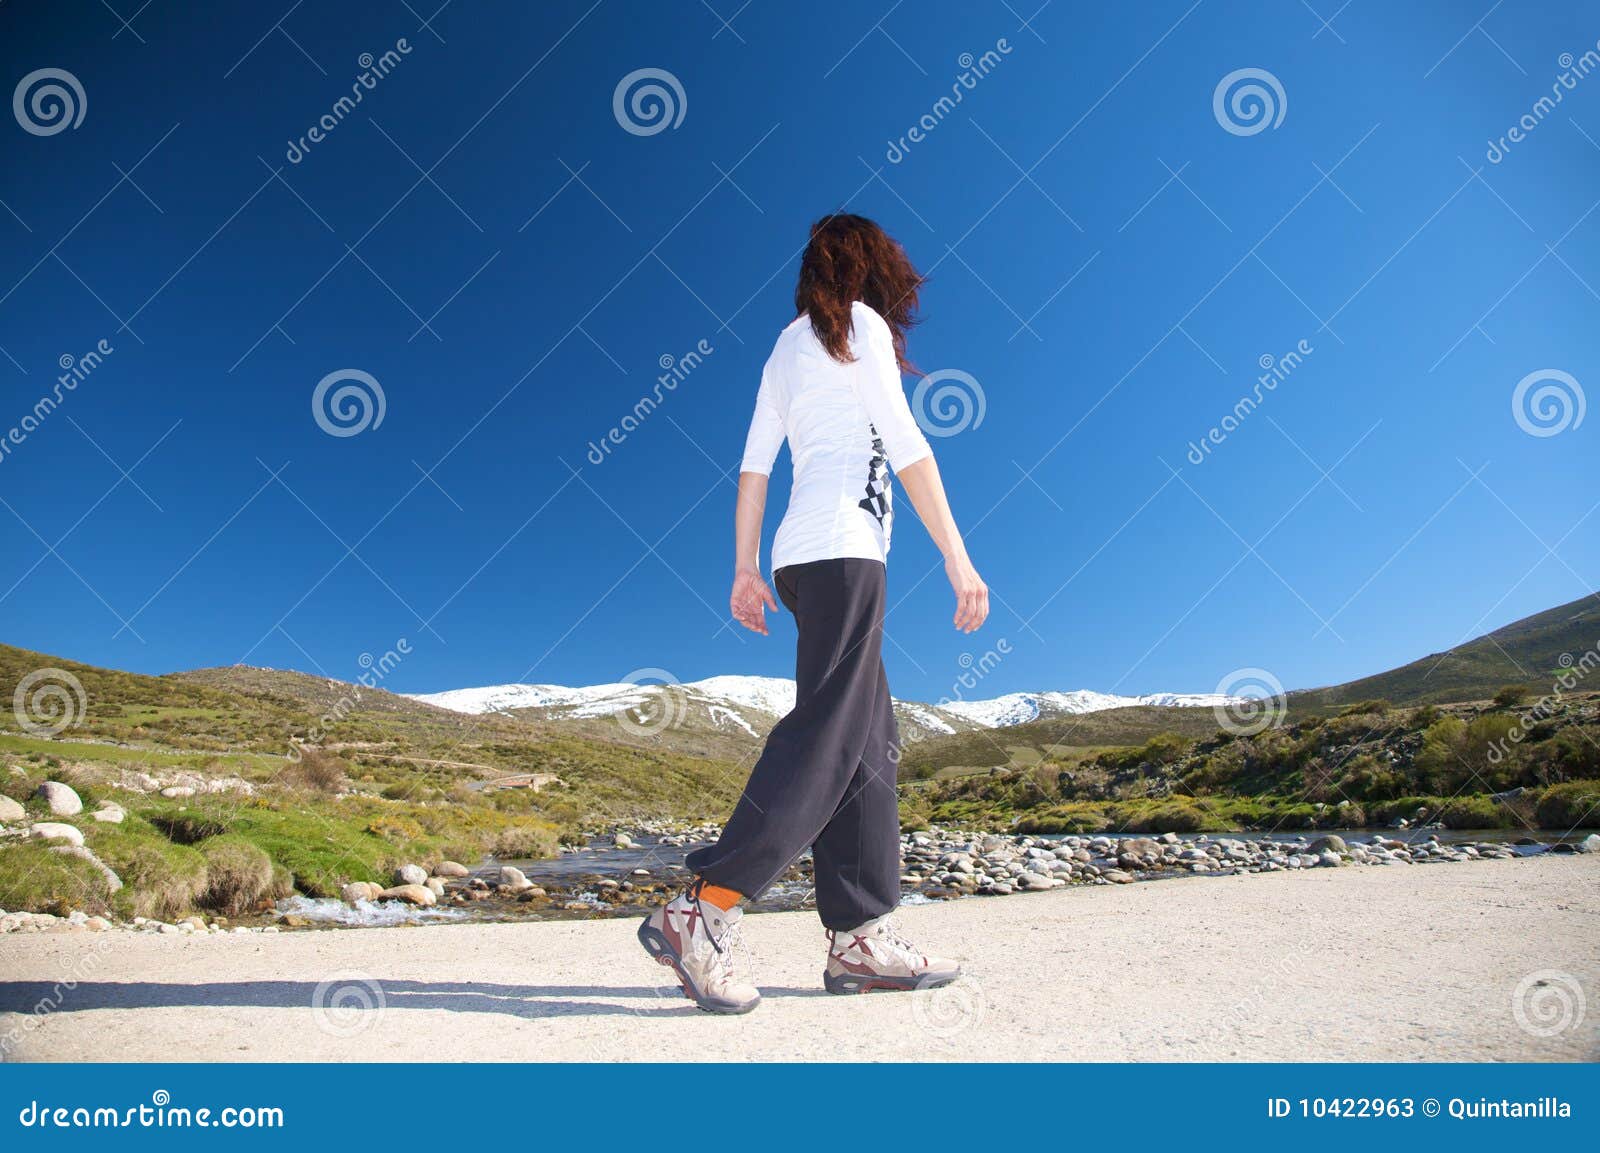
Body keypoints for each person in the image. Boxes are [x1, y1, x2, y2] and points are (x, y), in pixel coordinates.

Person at [637, 213, 989, 1014]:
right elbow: (904, 441)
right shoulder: (854, 327)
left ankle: (858, 937)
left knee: (871, 737)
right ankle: (705, 906)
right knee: (831, 729)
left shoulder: (786, 347)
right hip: (842, 550)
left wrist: (745, 568)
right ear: (868, 266)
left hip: (806, 557)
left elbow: (754, 465)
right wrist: (958, 557)